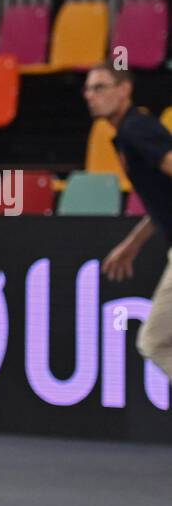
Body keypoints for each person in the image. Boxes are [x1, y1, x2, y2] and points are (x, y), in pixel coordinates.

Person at [94, 66, 172, 379]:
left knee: (153, 342)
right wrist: (133, 243)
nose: (91, 95)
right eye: (88, 89)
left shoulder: (135, 128)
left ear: (124, 89)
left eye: (100, 87)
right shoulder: (127, 135)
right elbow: (164, 201)